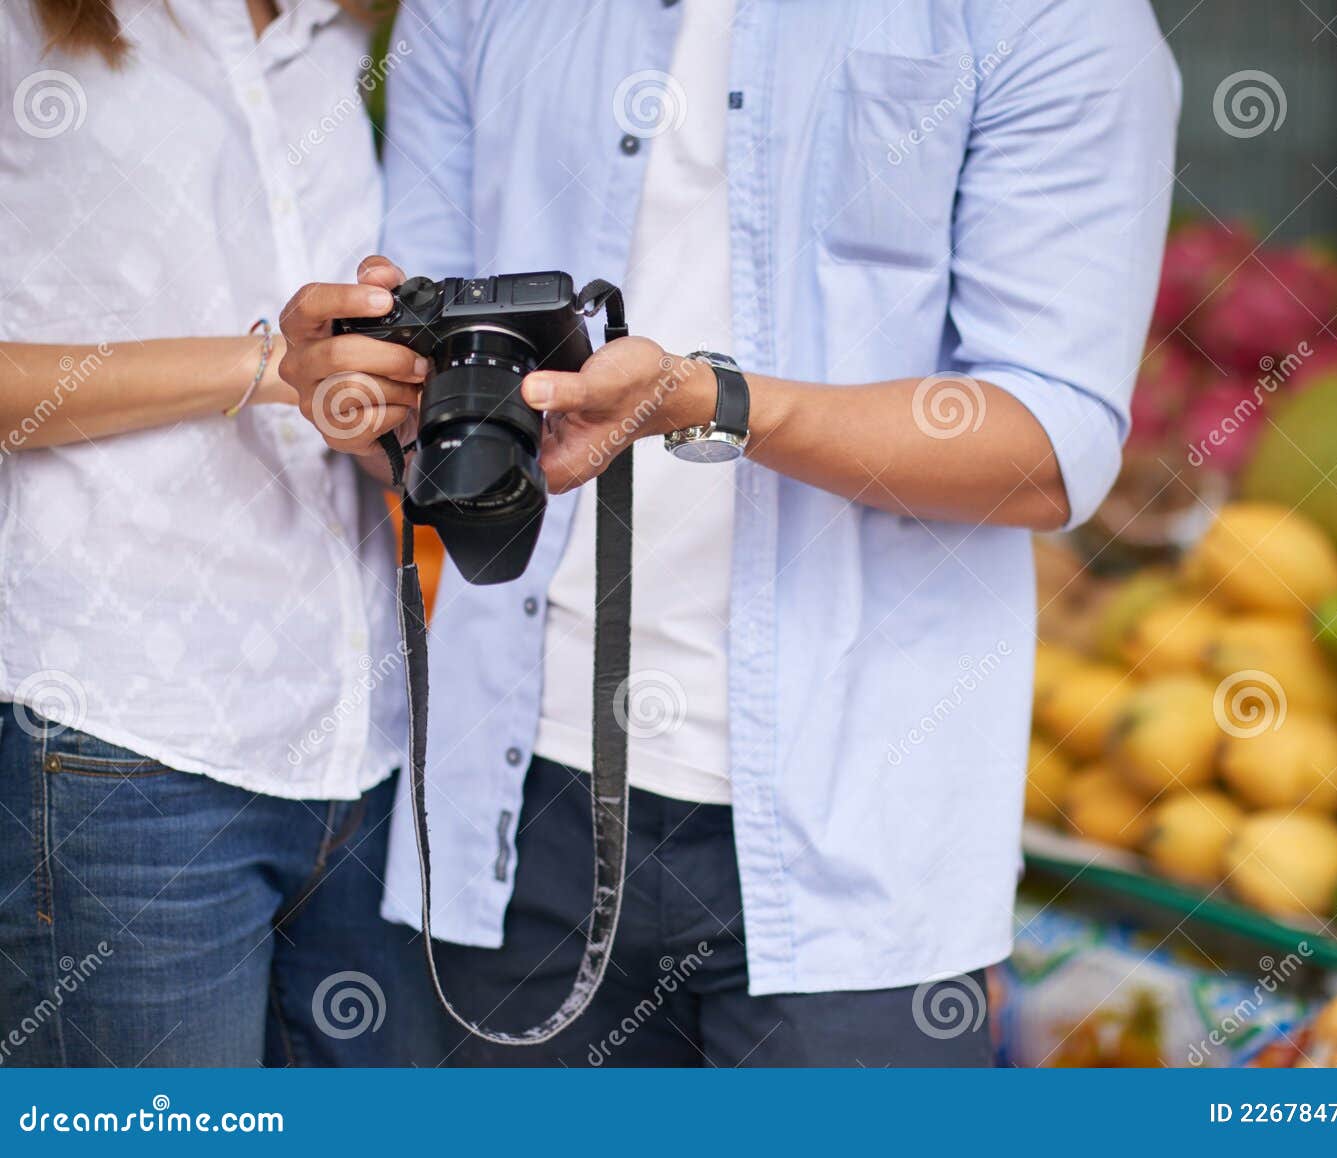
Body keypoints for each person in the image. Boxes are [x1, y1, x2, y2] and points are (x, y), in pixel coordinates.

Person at [279, 0, 1179, 1066]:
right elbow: (424, 394)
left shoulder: (1049, 17)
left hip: (857, 829)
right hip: (512, 809)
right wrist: (351, 381)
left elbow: (1049, 444)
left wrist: (715, 399)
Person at [0, 0, 441, 1066]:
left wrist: (392, 397)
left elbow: (343, 381)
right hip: (124, 742)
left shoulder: (343, 36)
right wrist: (262, 368)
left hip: (364, 738)